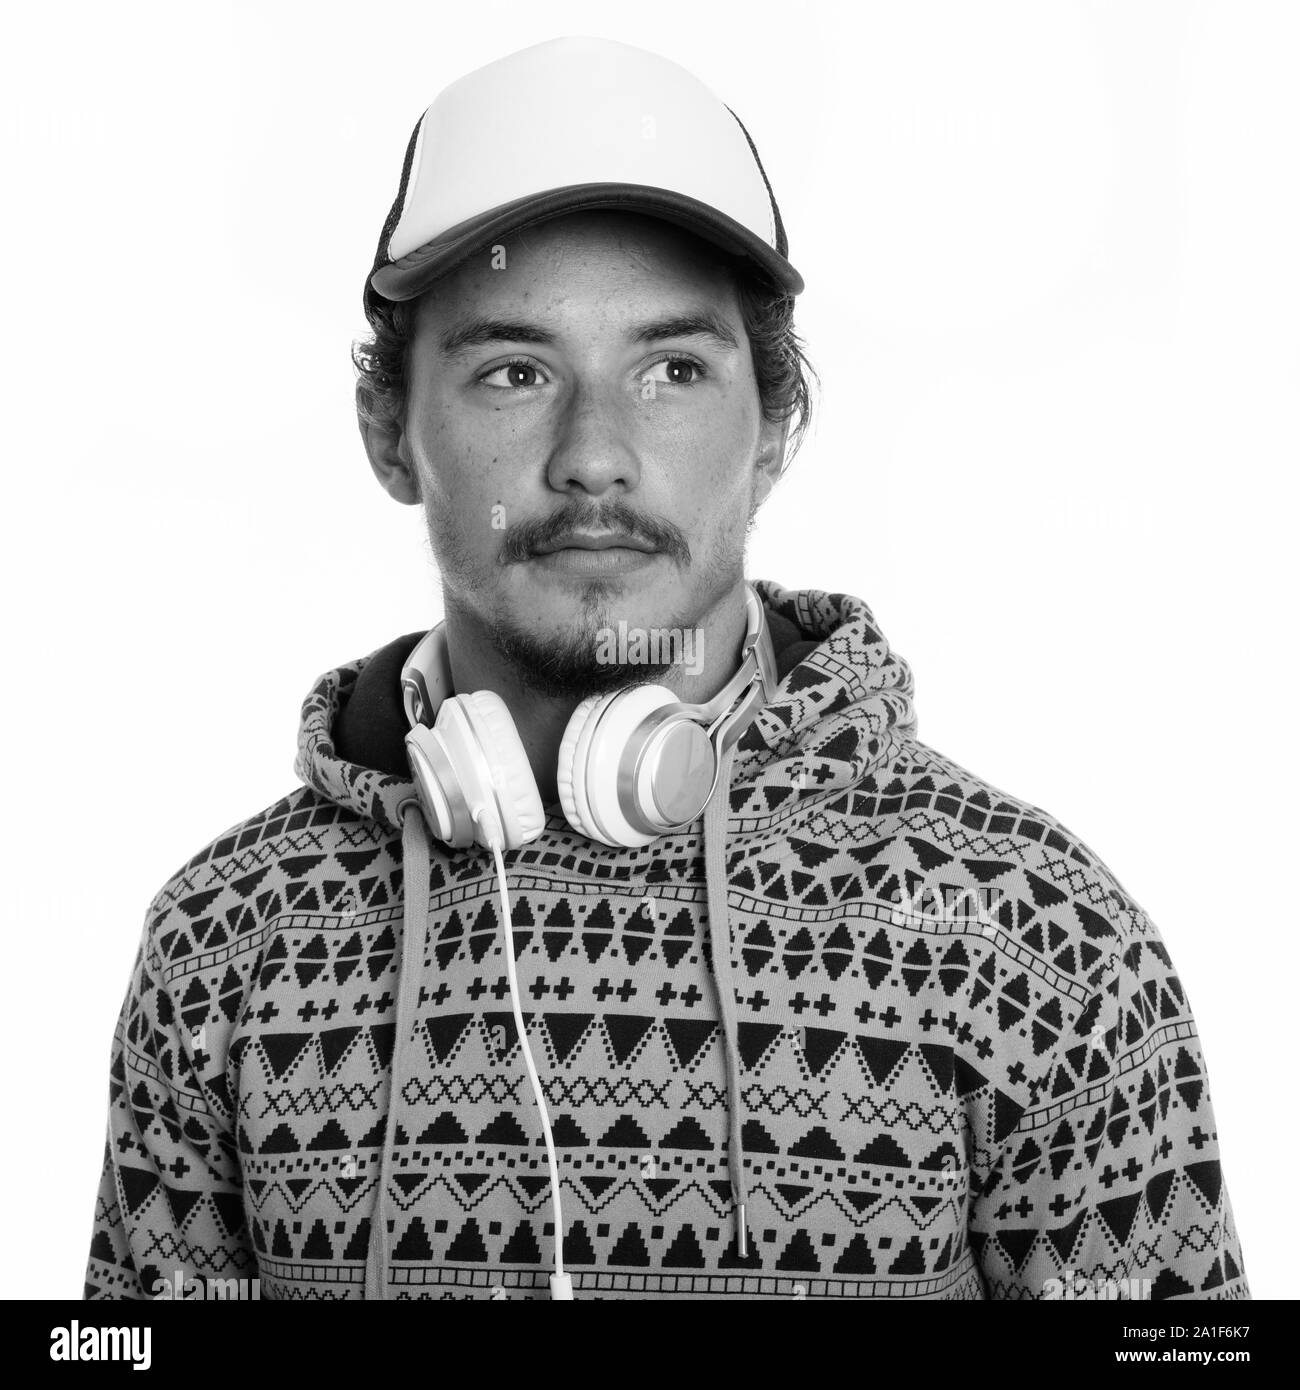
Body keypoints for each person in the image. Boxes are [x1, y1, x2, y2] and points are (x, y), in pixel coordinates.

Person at [84, 35, 1248, 1301]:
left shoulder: (1032, 931)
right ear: (388, 429)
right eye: (513, 370)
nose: (595, 454)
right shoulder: (222, 940)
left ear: (774, 430)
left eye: (673, 370)